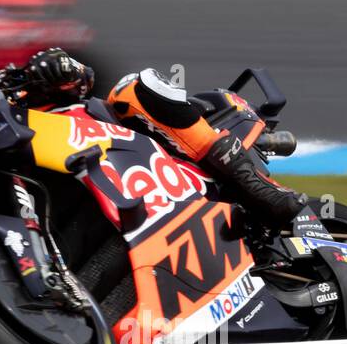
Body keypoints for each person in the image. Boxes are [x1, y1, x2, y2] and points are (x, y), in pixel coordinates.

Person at [20, 48, 308, 224]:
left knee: (129, 89)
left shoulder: (3, 101)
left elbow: (85, 75)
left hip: (110, 143)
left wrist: (56, 68)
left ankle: (254, 186)